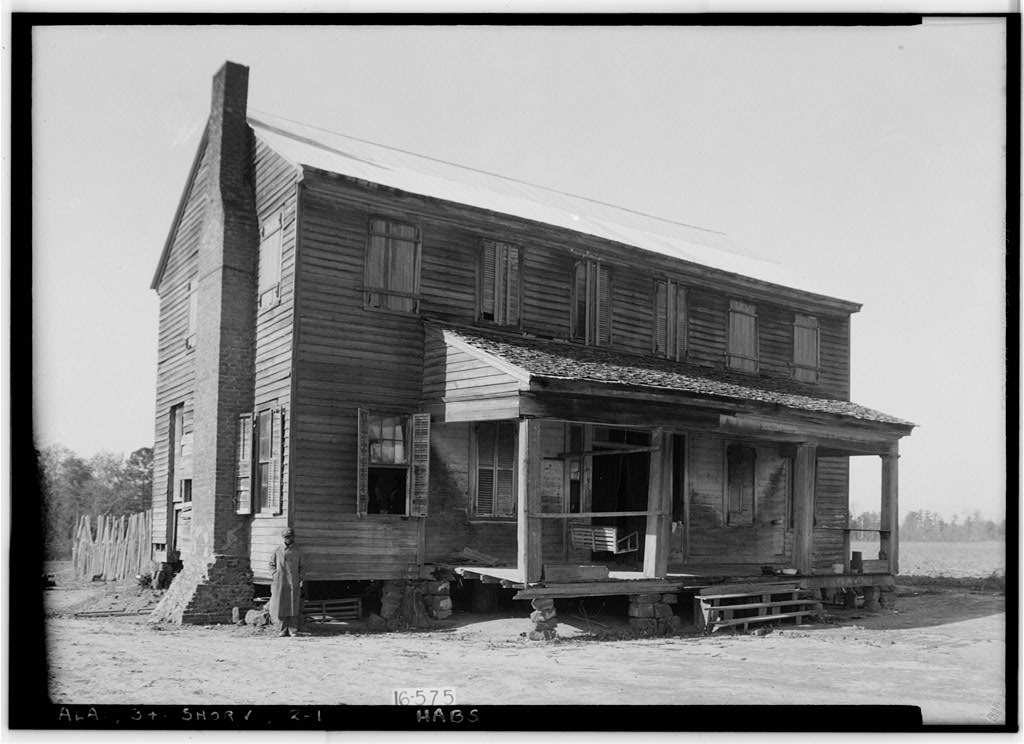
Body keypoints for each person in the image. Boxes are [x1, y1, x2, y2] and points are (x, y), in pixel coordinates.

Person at [269, 527, 305, 637]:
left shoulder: (298, 551)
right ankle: (282, 629)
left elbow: (302, 567)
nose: (288, 539)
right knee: (280, 605)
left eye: (290, 536)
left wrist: (300, 578)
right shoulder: (277, 550)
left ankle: (293, 629)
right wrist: (275, 574)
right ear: (283, 538)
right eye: (286, 537)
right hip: (280, 581)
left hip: (293, 581)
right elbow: (271, 564)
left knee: (293, 605)